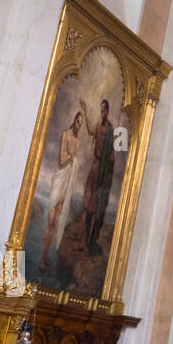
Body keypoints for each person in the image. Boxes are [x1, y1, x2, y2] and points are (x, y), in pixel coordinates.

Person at [42, 111, 83, 268]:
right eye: (78, 122)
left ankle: (45, 256)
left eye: (81, 124)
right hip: (59, 178)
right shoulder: (65, 135)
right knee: (50, 221)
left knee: (55, 222)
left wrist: (73, 157)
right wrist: (71, 157)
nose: (79, 126)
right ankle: (43, 255)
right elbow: (61, 160)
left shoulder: (77, 142)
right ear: (74, 120)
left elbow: (73, 162)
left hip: (66, 183)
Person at [78, 96, 115, 253]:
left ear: (107, 111)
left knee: (94, 208)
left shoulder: (110, 130)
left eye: (103, 111)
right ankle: (80, 241)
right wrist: (86, 111)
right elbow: (89, 130)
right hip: (94, 167)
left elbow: (112, 154)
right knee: (86, 206)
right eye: (100, 111)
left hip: (102, 170)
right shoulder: (98, 125)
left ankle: (87, 242)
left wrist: (111, 160)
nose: (102, 113)